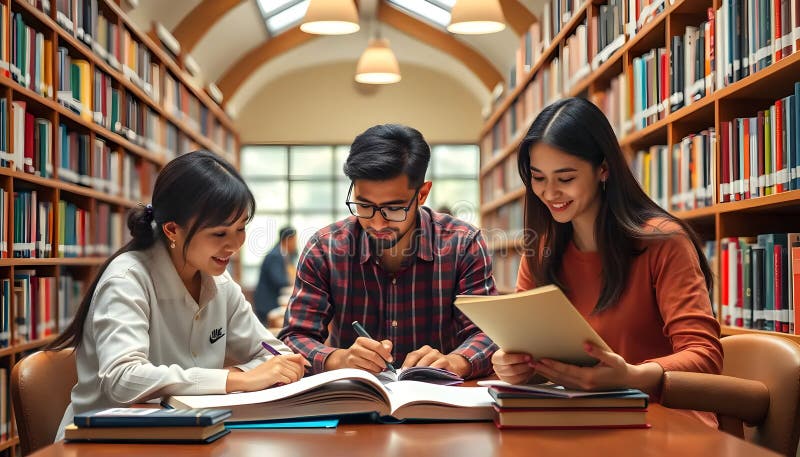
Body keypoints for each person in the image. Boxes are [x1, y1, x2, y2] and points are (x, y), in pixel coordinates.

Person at [491, 97, 722, 426]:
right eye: (538, 177)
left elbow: (706, 357)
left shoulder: (663, 242)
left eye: (565, 178)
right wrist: (516, 366)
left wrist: (632, 375)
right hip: (580, 420)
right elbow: (530, 350)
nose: (549, 192)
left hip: (665, 423)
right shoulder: (540, 251)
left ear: (603, 169)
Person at [49, 151, 307, 441]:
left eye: (241, 229)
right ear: (173, 229)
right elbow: (123, 379)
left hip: (186, 436)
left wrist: (237, 377)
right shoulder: (127, 280)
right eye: (220, 234)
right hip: (106, 443)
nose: (234, 245)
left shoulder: (220, 284)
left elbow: (276, 355)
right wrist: (237, 379)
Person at [279, 124, 497, 379]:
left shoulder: (463, 244)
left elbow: (489, 334)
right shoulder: (325, 248)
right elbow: (294, 338)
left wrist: (455, 362)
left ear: (422, 194)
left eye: (394, 209)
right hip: (353, 402)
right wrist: (339, 358)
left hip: (439, 402)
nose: (377, 223)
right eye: (364, 205)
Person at [253, 226, 298, 323]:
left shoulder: (283, 253)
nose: (295, 244)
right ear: (288, 240)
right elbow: (279, 280)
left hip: (271, 301)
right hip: (267, 303)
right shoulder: (275, 255)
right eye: (294, 240)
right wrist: (293, 281)